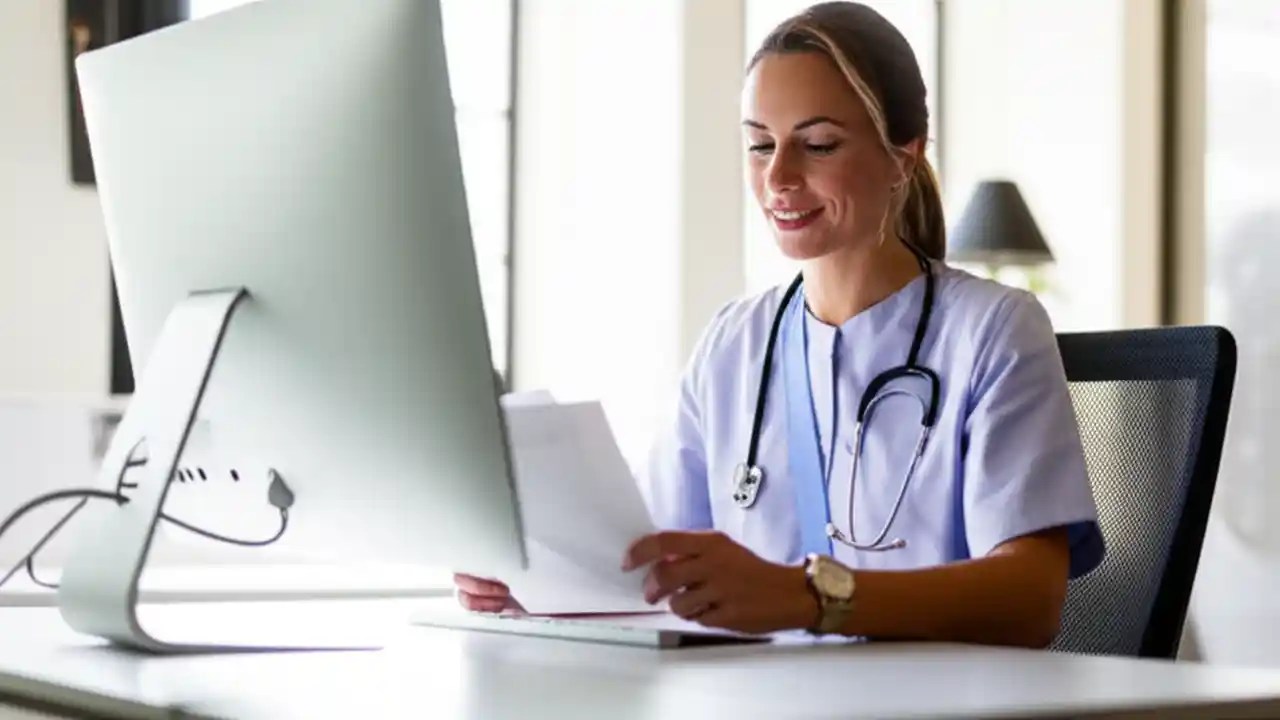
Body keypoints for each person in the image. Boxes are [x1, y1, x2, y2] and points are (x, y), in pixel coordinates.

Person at [455, 1, 1103, 648]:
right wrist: (543, 584)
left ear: (904, 156)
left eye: (818, 144)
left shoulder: (991, 330)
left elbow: (1030, 599)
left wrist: (806, 596)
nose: (778, 176)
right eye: (760, 144)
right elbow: (652, 569)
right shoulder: (733, 345)